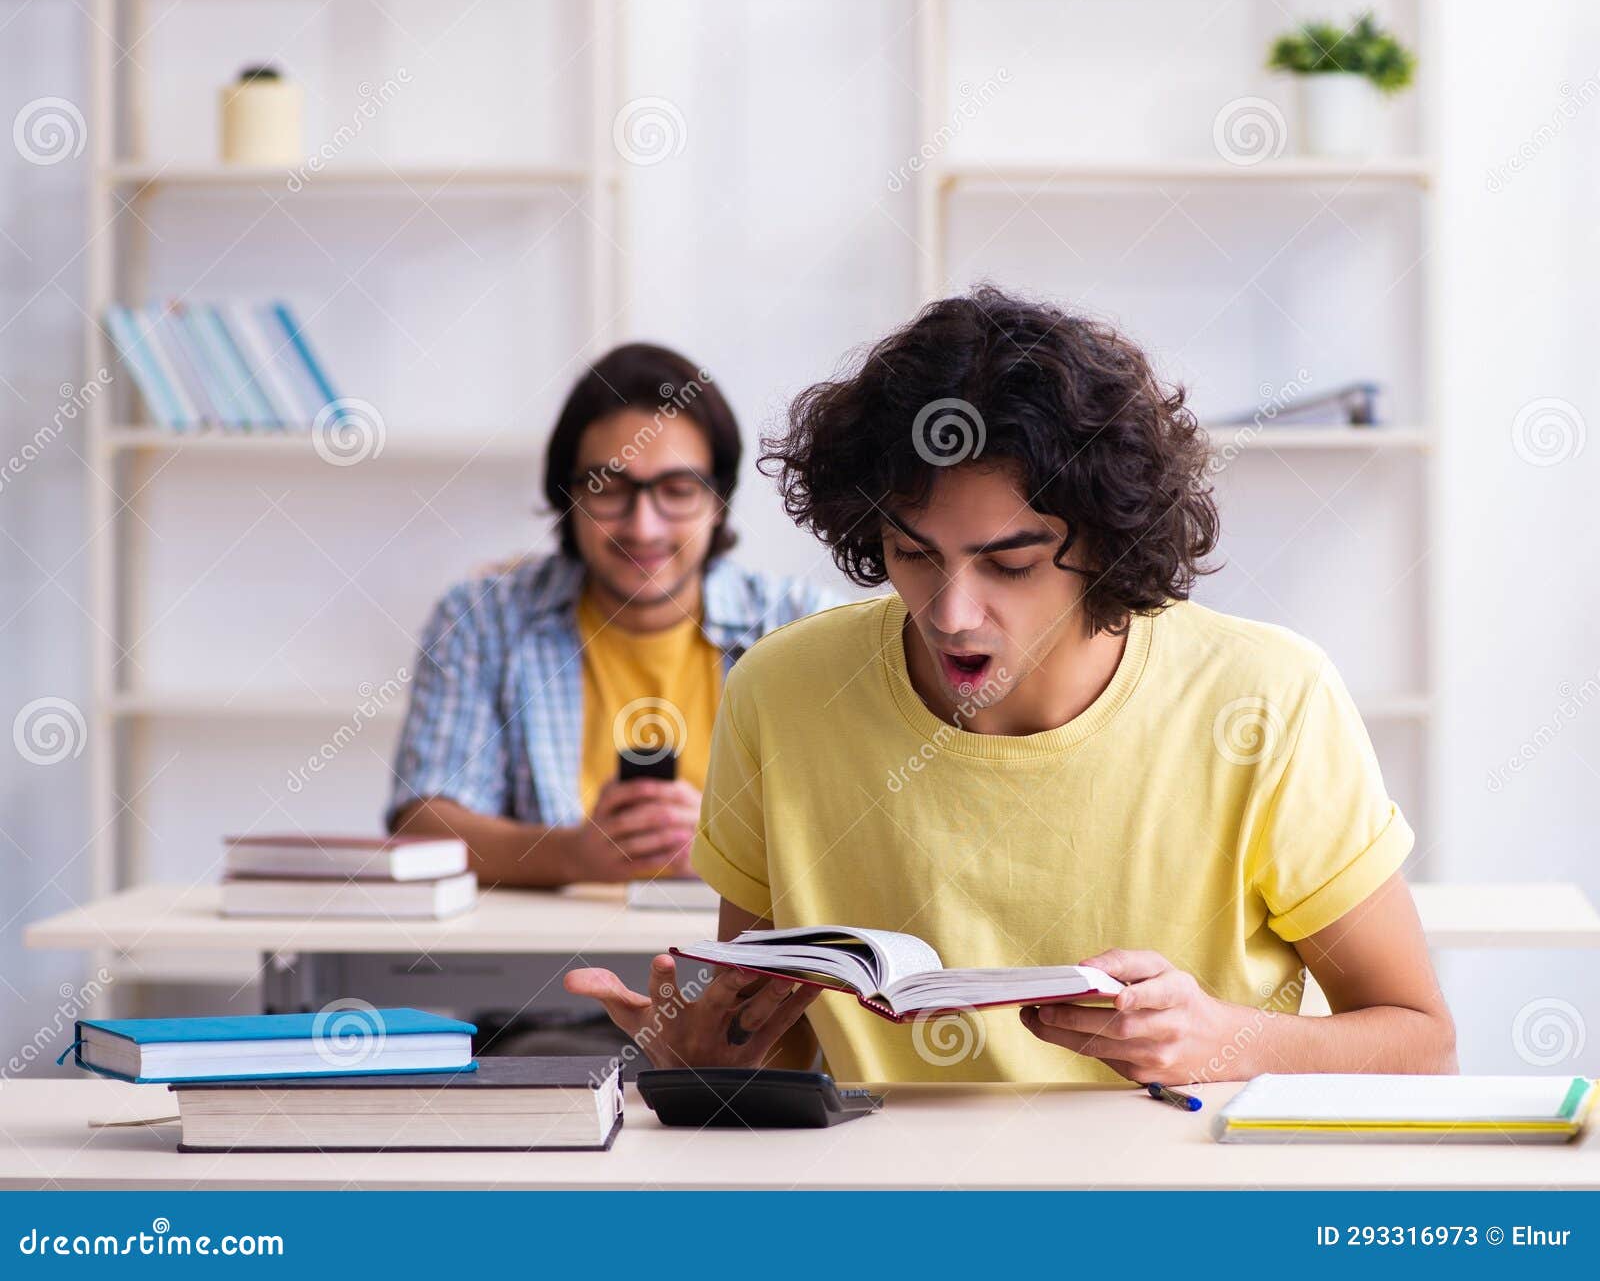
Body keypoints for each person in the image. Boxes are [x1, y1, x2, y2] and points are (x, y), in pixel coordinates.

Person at [566, 287, 1457, 1085]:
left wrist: (1227, 1038)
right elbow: (778, 1048)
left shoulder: (1268, 696)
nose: (952, 612)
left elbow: (1423, 1043)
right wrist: (709, 1064)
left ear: (1104, 544)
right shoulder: (780, 691)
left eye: (1012, 562)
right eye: (913, 553)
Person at [388, 343, 837, 888]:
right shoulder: (482, 619)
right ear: (567, 498)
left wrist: (734, 844)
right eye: (608, 489)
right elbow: (423, 827)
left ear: (718, 501)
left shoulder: (805, 626)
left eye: (677, 491)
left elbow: (867, 825)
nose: (643, 528)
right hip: (541, 957)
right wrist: (570, 855)